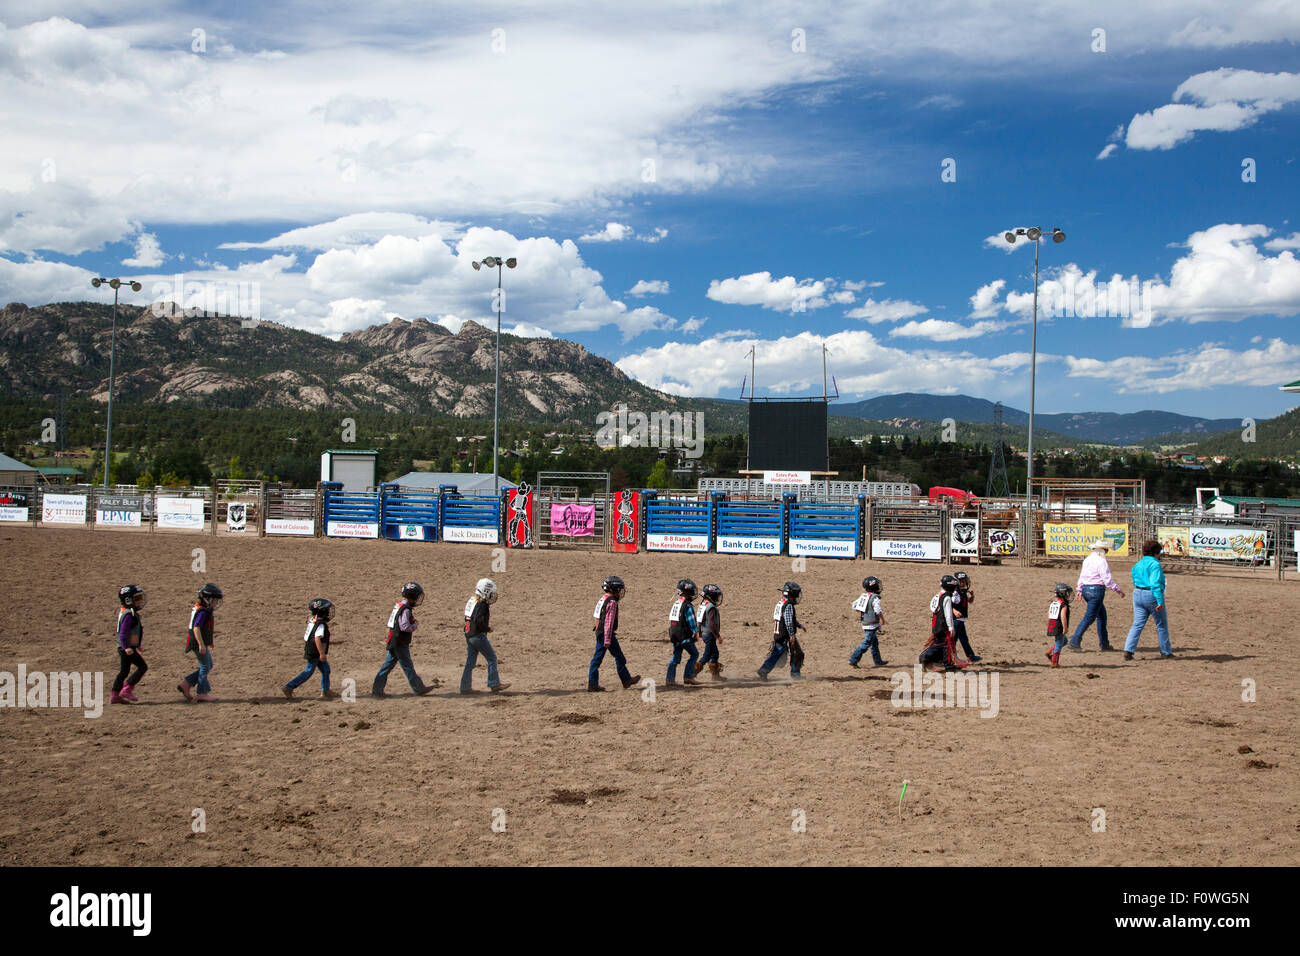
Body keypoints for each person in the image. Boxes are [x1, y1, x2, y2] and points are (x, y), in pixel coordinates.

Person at [372, 582, 438, 697]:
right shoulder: (406, 610)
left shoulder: (399, 606)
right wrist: (415, 626)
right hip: (400, 642)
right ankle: (419, 688)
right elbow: (404, 626)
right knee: (407, 666)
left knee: (387, 666)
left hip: (394, 641)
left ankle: (377, 689)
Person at [1067, 539, 1124, 652]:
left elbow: (1082, 576)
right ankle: (1075, 641)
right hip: (1096, 591)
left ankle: (1104, 643)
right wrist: (1118, 590)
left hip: (1086, 589)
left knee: (1101, 616)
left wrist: (1079, 589)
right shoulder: (1101, 562)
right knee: (1090, 617)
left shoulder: (1087, 560)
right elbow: (1107, 579)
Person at [588, 575, 641, 692]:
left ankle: (626, 679)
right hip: (607, 635)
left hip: (601, 632)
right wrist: (607, 639)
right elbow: (609, 622)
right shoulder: (612, 603)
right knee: (606, 658)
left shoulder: (603, 598)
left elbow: (597, 616)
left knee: (612, 657)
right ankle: (593, 684)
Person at [1124, 540, 1174, 660]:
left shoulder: (1138, 564)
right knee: (1161, 624)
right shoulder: (1155, 564)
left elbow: (1134, 577)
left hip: (1137, 592)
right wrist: (1159, 600)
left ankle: (1128, 650)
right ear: (1156, 552)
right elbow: (1155, 582)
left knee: (1137, 624)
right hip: (1150, 594)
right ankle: (1165, 651)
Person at [462, 578, 509, 694]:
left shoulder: (471, 601)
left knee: (470, 662)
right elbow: (479, 622)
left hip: (469, 635)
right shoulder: (482, 605)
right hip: (478, 636)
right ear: (486, 591)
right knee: (492, 658)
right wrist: (488, 629)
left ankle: (465, 687)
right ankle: (494, 684)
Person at [283, 598, 337, 699]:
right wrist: (321, 653)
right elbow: (317, 638)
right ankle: (289, 687)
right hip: (315, 652)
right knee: (308, 671)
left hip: (313, 650)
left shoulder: (313, 620)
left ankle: (325, 691)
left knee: (326, 670)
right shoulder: (321, 625)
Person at [178, 583, 222, 702]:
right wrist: (201, 644)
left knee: (208, 665)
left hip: (199, 642)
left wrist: (209, 642)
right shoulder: (203, 613)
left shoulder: (203, 610)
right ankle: (202, 692)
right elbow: (196, 628)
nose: (217, 603)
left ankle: (186, 684)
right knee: (205, 666)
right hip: (197, 643)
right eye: (215, 600)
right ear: (207, 599)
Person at [758, 582, 805, 680]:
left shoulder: (781, 603)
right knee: (796, 653)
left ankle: (764, 670)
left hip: (779, 633)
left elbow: (787, 618)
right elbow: (788, 621)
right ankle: (795, 674)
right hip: (785, 635)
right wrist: (792, 635)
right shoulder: (788, 606)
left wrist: (799, 625)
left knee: (776, 654)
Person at [111, 584, 148, 704]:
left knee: (124, 671)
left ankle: (115, 695)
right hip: (126, 648)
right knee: (142, 667)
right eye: (137, 598)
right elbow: (123, 633)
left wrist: (137, 645)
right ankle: (127, 688)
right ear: (128, 600)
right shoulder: (129, 615)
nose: (140, 601)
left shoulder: (130, 613)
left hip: (128, 647)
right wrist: (127, 647)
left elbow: (134, 632)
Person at [919, 575, 965, 671]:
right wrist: (951, 628)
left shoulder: (938, 595)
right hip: (943, 626)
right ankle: (925, 657)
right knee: (943, 644)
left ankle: (947, 664)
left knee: (943, 644)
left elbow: (933, 607)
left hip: (936, 624)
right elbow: (948, 615)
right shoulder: (947, 598)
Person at [666, 579, 702, 686]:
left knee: (676, 658)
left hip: (674, 635)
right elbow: (691, 621)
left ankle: (669, 679)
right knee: (694, 654)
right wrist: (696, 633)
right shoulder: (687, 605)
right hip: (684, 636)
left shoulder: (676, 603)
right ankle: (688, 677)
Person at [848, 576, 887, 668]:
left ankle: (878, 661)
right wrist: (883, 620)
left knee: (874, 643)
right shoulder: (875, 598)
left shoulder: (864, 596)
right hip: (872, 624)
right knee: (867, 643)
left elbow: (854, 605)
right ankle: (853, 659)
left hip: (865, 623)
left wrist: (863, 613)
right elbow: (878, 610)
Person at [697, 584, 726, 680]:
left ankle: (715, 675)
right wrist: (718, 636)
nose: (717, 598)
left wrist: (700, 633)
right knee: (706, 655)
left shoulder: (702, 605)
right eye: (716, 596)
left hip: (705, 634)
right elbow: (711, 624)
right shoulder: (711, 608)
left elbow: (699, 621)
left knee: (715, 654)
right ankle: (691, 673)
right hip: (710, 635)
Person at [951, 570, 981, 663]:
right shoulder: (955, 593)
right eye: (961, 581)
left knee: (964, 639)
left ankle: (970, 656)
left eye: (964, 581)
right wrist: (954, 611)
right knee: (954, 640)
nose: (963, 583)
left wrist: (972, 596)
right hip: (956, 620)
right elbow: (949, 604)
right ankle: (949, 657)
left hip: (961, 620)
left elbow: (970, 601)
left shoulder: (963, 592)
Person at [1044, 584, 1074, 667]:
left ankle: (1050, 652)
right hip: (1059, 626)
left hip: (1052, 624)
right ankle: (1054, 662)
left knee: (1064, 641)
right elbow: (1063, 616)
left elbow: (1049, 613)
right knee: (1059, 643)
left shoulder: (1054, 603)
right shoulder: (1063, 605)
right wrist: (1065, 628)